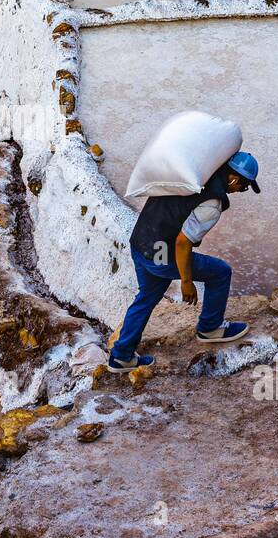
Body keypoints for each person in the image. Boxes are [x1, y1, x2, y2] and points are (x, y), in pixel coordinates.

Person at [108, 151, 261, 372]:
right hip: (159, 252)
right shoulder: (212, 203)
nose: (240, 191)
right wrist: (186, 281)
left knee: (146, 297)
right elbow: (182, 242)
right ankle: (210, 328)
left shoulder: (195, 173)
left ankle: (121, 356)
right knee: (220, 272)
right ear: (234, 178)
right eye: (244, 187)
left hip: (141, 240)